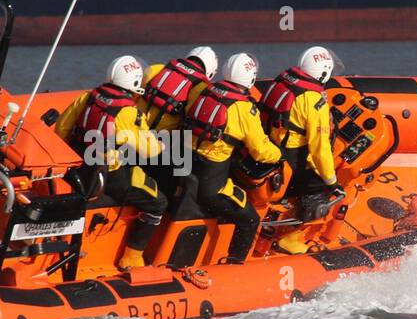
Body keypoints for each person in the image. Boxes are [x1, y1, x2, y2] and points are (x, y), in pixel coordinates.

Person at [54, 54, 167, 270]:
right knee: (157, 201)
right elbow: (149, 150)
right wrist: (161, 145)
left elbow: (62, 129)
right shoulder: (128, 112)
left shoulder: (87, 97)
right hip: (109, 174)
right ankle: (132, 259)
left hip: (79, 168)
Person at [185, 52, 280, 263]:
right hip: (210, 183)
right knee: (250, 219)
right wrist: (280, 154)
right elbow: (260, 151)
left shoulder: (204, 91)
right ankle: (235, 265)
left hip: (186, 165)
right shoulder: (244, 108)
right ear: (251, 77)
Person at [259, 46, 343, 254]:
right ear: (324, 72)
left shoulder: (284, 80)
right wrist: (332, 182)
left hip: (269, 146)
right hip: (290, 158)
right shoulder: (314, 100)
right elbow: (319, 148)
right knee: (320, 186)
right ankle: (290, 238)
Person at [137, 46, 218, 134]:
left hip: (133, 128)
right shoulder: (201, 88)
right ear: (210, 73)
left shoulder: (158, 68)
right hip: (161, 140)